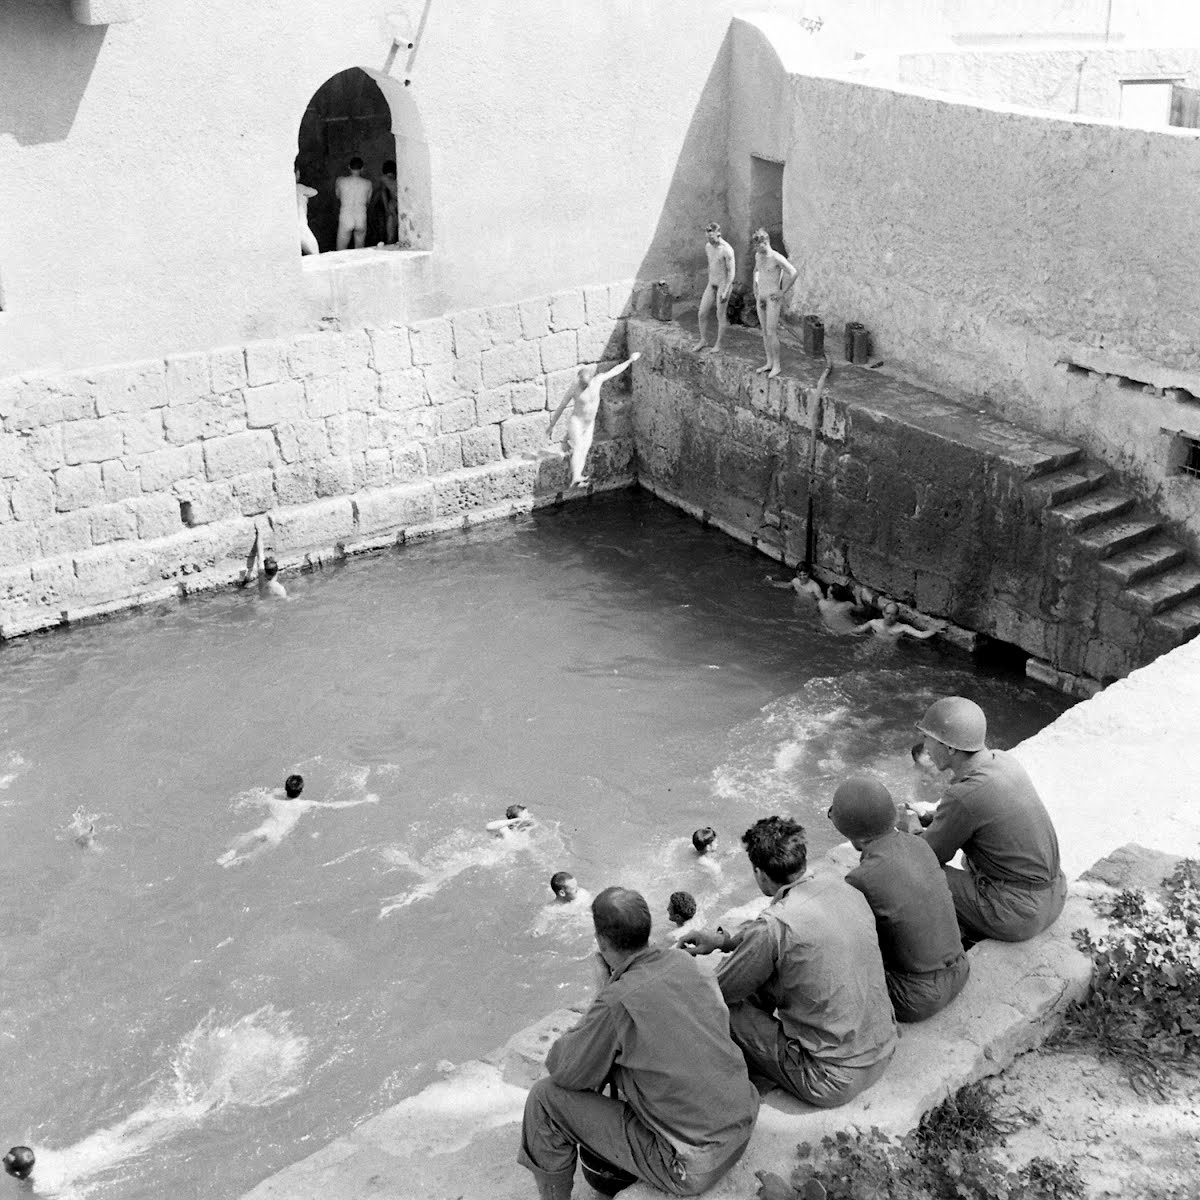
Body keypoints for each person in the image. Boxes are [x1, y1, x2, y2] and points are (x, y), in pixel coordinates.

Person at [518, 887, 758, 1200]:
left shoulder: (617, 1001)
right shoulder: (687, 964)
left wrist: (603, 993)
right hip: (742, 1123)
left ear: (602, 941)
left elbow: (565, 1071)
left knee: (544, 1099)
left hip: (690, 1165)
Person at [680, 816, 896, 1108]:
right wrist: (724, 940)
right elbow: (775, 930)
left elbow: (719, 993)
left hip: (829, 1078)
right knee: (779, 966)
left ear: (760, 874)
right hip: (883, 1048)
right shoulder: (843, 887)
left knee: (716, 1004)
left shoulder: (774, 927)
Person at [915, 696, 1068, 944]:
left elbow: (927, 856)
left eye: (928, 738)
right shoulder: (1003, 760)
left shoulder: (963, 795)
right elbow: (982, 815)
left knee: (915, 871)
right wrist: (933, 818)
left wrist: (910, 829)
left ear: (951, 748)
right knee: (969, 857)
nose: (925, 748)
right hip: (1054, 895)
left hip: (1019, 914)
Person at [829, 777, 969, 1022]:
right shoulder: (919, 844)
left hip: (915, 998)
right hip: (960, 970)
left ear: (857, 839)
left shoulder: (861, 878)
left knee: (834, 963)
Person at [218, 773, 378, 867]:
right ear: (302, 790)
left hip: (266, 828)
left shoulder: (272, 798)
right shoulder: (304, 805)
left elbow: (255, 800)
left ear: (285, 788)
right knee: (253, 856)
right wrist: (364, 800)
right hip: (276, 836)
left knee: (248, 836)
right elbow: (334, 806)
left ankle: (231, 851)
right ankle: (241, 860)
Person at [547, 353, 641, 488]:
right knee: (579, 447)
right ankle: (575, 477)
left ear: (590, 379)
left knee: (585, 448)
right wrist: (551, 425)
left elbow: (614, 371)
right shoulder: (574, 389)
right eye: (582, 384)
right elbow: (562, 406)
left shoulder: (597, 380)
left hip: (589, 423)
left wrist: (630, 360)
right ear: (579, 380)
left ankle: (577, 477)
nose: (584, 386)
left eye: (586, 384)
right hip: (577, 422)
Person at [751, 229, 797, 378]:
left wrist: (782, 292)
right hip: (761, 296)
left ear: (765, 243)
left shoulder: (776, 257)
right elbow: (756, 270)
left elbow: (793, 272)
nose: (757, 249)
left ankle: (777, 364)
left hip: (772, 298)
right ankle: (769, 361)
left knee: (771, 332)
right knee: (764, 331)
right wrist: (755, 286)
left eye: (758, 246)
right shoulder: (758, 256)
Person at [692, 223, 735, 354]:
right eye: (708, 237)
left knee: (720, 315)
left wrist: (726, 290)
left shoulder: (727, 250)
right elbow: (712, 265)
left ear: (718, 233)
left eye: (712, 237)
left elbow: (731, 271)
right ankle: (703, 340)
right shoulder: (708, 247)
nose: (710, 240)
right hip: (712, 284)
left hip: (723, 285)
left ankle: (719, 344)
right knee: (702, 313)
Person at [334, 156, 373, 250]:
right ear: (362, 168)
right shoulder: (368, 183)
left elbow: (338, 196)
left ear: (349, 167)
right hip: (361, 217)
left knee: (340, 251)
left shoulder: (340, 181)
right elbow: (368, 201)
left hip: (346, 217)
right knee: (359, 251)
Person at [854, 601, 942, 642]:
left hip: (889, 650)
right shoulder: (874, 623)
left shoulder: (902, 628)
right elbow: (858, 630)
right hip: (873, 644)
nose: (889, 617)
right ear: (883, 613)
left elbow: (921, 635)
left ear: (897, 616)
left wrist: (934, 630)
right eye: (888, 613)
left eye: (892, 615)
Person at [242, 529, 286, 599]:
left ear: (265, 571)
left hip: (261, 598)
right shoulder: (279, 589)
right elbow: (285, 601)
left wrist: (259, 534)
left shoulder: (261, 576)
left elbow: (260, 554)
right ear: (277, 571)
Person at [295, 166, 319, 256]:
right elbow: (314, 192)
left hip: (287, 229)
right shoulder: (300, 187)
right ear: (297, 174)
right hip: (301, 227)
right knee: (315, 254)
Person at [377, 159, 399, 245]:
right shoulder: (385, 179)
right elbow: (383, 193)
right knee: (391, 231)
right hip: (395, 204)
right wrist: (387, 208)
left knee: (392, 233)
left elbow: (383, 193)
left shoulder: (384, 179)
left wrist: (387, 208)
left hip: (395, 205)